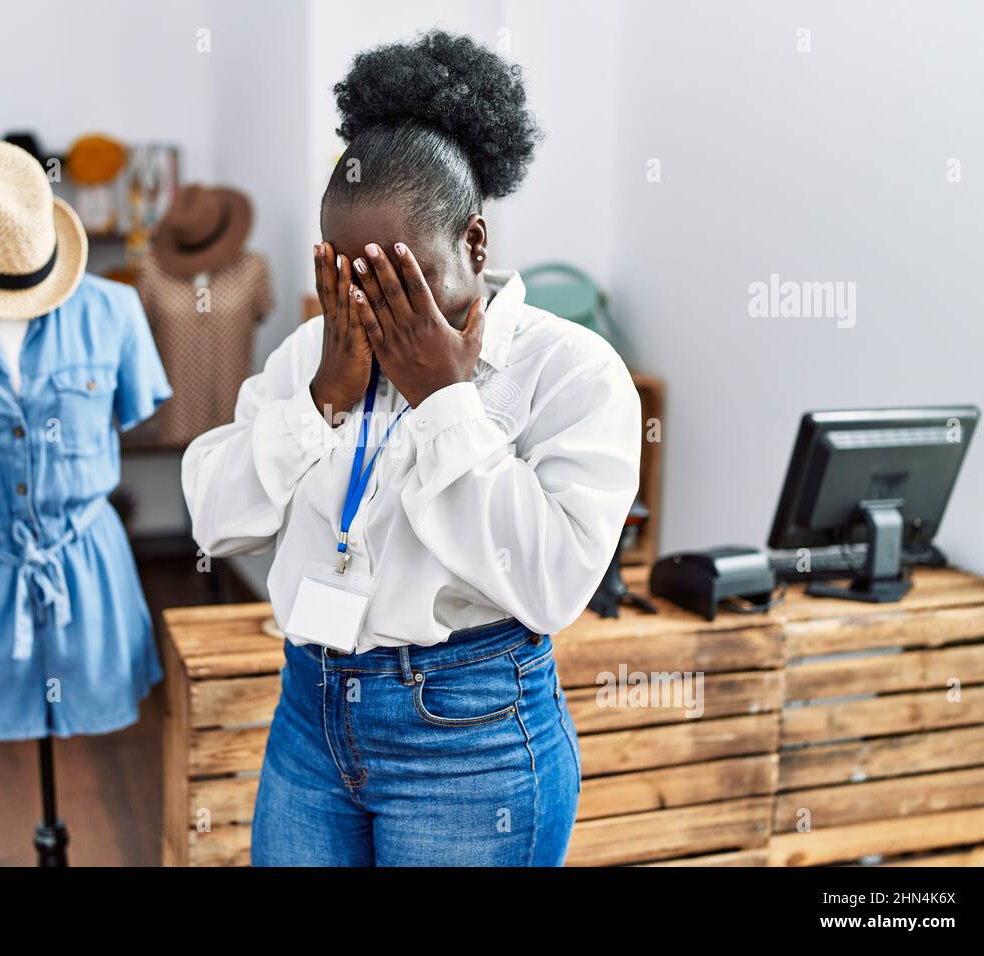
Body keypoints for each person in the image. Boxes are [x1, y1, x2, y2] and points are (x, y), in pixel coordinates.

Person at [181, 31, 640, 866]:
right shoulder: (313, 357)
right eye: (349, 280)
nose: (376, 306)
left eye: (400, 275)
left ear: (473, 243)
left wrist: (444, 402)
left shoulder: (571, 372)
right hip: (310, 721)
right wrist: (321, 399)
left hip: (469, 742)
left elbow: (553, 583)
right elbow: (214, 518)